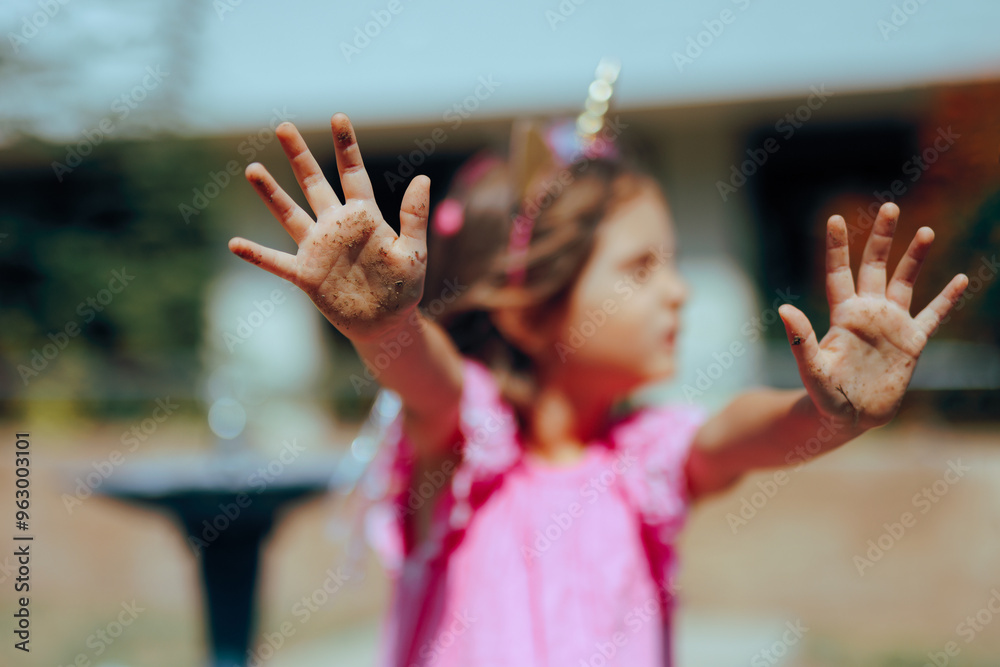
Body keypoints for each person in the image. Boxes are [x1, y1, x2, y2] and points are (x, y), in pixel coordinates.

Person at [227, 111, 969, 666]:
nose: (678, 291)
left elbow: (745, 433)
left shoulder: (644, 457)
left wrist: (824, 413)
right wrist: (386, 326)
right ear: (527, 306)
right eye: (641, 267)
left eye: (671, 262)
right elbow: (426, 378)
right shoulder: (468, 447)